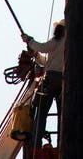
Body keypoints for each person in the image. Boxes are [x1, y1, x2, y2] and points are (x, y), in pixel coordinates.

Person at [21, 19, 65, 153]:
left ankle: (36, 142)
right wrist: (36, 54)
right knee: (62, 115)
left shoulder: (57, 40)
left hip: (51, 79)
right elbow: (48, 61)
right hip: (63, 82)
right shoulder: (71, 44)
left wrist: (29, 41)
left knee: (40, 112)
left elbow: (42, 47)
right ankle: (62, 142)